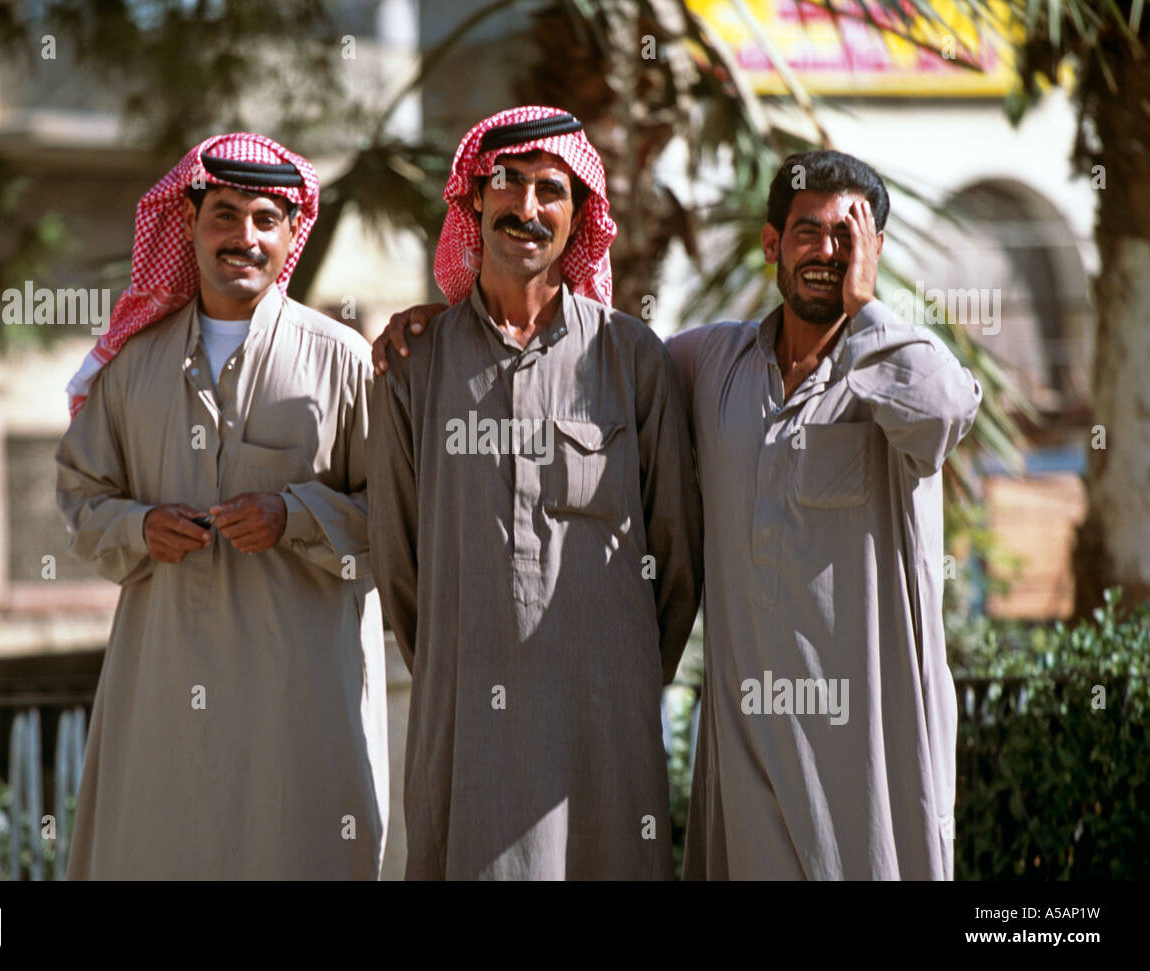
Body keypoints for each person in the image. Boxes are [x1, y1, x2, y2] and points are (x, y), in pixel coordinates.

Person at [373, 149, 981, 880]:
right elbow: (584, 368)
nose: (826, 251)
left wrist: (867, 308)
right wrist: (432, 324)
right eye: (808, 231)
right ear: (770, 243)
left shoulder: (893, 371)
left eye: (848, 236)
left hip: (869, 742)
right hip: (748, 748)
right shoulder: (714, 361)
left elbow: (948, 410)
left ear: (874, 251)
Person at [366, 106, 702, 880]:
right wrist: (465, 659)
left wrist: (618, 676)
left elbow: (676, 554)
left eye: (551, 190)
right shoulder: (416, 368)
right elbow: (400, 558)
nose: (526, 207)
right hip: (467, 732)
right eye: (507, 184)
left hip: (603, 725)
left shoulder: (632, 359)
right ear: (474, 201)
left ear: (580, 214)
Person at [57, 132, 388, 879]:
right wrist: (139, 527)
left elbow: (399, 518)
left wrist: (295, 515)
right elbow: (80, 499)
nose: (246, 236)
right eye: (226, 214)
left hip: (297, 710)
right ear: (188, 225)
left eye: (267, 218)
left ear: (292, 232)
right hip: (162, 694)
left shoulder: (343, 361)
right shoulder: (131, 368)